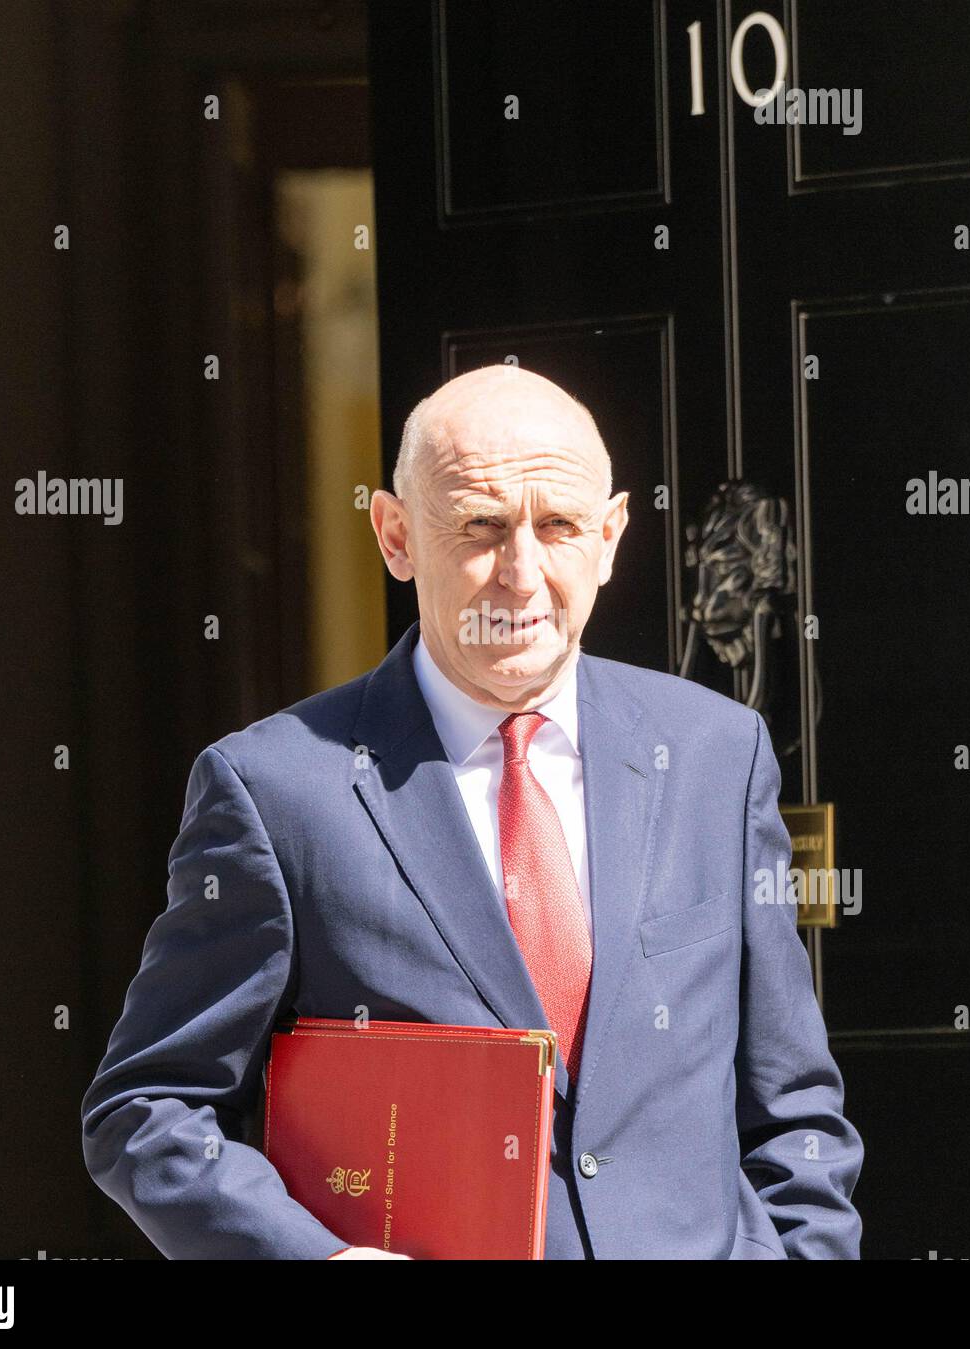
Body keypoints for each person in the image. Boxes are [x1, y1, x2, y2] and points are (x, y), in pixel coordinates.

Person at [80, 364, 863, 1259]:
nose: (521, 575)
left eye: (560, 526)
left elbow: (794, 1105)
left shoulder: (717, 756)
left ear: (609, 539)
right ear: (396, 534)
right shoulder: (275, 790)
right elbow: (145, 1109)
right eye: (482, 527)